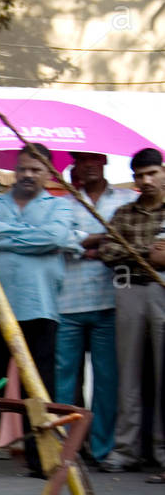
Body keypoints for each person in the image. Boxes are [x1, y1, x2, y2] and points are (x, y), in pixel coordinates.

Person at [0, 144, 76, 478]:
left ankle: (42, 460)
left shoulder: (61, 206)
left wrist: (6, 242)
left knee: (38, 391)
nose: (27, 175)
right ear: (16, 169)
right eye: (23, 168)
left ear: (48, 173)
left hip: (39, 310)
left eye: (35, 169)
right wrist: (33, 240)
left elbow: (54, 237)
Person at [57, 152, 134, 466]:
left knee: (106, 381)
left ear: (103, 161)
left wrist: (86, 244)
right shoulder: (62, 204)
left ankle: (102, 449)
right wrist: (102, 240)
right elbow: (60, 239)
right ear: (74, 164)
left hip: (111, 301)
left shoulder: (126, 199)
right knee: (64, 381)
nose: (88, 164)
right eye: (81, 159)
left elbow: (128, 240)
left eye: (94, 159)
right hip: (67, 302)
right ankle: (64, 449)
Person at [99, 147, 165, 476]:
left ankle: (161, 452)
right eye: (140, 175)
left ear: (163, 172)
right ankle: (125, 449)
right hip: (128, 290)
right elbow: (108, 250)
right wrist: (146, 252)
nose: (146, 180)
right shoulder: (125, 212)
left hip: (161, 292)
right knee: (128, 375)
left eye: (152, 173)